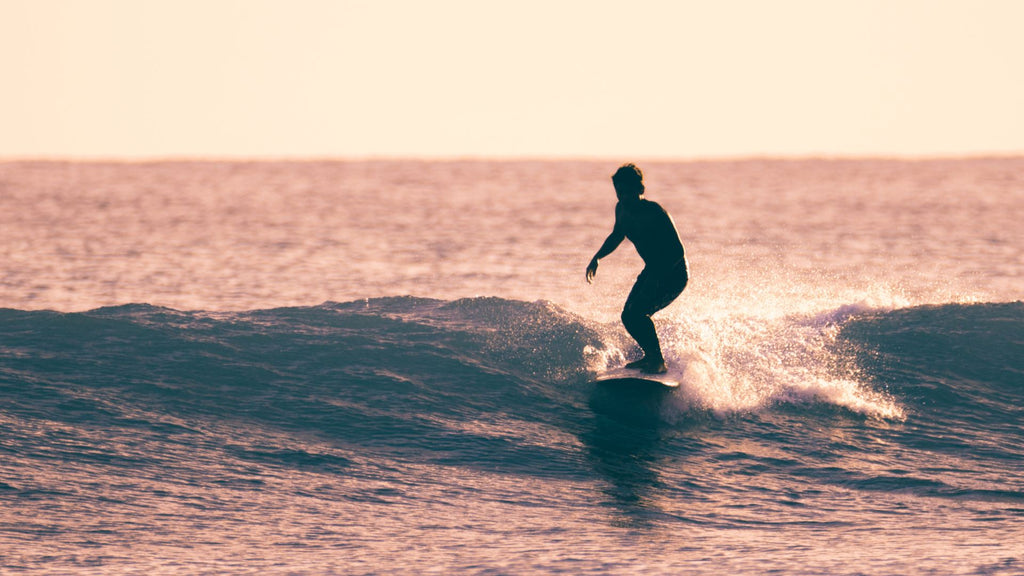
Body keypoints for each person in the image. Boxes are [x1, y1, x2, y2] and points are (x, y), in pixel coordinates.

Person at [586, 163, 688, 374]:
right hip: (652, 270)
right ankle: (651, 356)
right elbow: (617, 234)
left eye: (628, 192)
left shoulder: (655, 213)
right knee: (628, 316)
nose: (624, 197)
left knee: (639, 314)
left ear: (640, 189)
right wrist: (598, 257)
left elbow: (678, 251)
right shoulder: (621, 209)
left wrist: (659, 277)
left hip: (674, 274)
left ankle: (657, 361)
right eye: (619, 192)